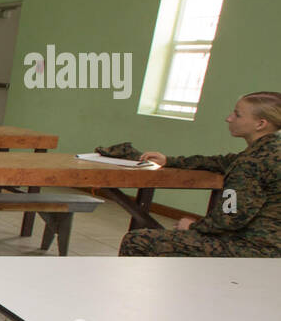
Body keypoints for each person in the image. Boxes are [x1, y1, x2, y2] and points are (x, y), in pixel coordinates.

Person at [120, 92, 281, 257]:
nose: (229, 118)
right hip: (270, 244)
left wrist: (193, 226)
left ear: (260, 124)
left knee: (138, 240)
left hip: (257, 250)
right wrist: (169, 160)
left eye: (237, 115)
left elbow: (230, 218)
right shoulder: (270, 150)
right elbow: (219, 162)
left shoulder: (251, 163)